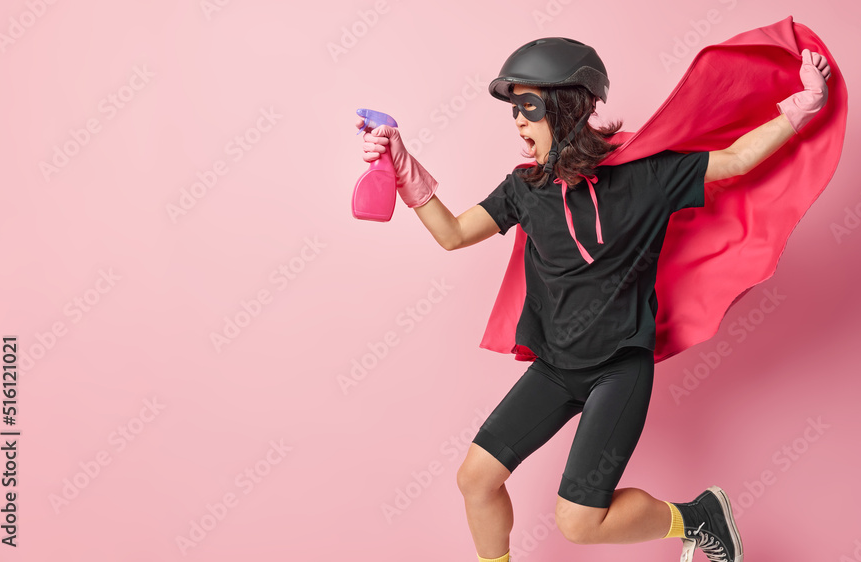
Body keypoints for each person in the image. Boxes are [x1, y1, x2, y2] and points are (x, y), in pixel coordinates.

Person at [356, 35, 830, 562]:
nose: (517, 120)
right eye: (514, 108)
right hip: (557, 367)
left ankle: (698, 518)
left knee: (579, 523)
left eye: (528, 107)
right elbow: (452, 233)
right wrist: (404, 167)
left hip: (618, 369)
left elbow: (738, 158)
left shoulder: (647, 175)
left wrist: (802, 107)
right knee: (476, 479)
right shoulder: (525, 188)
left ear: (564, 107)